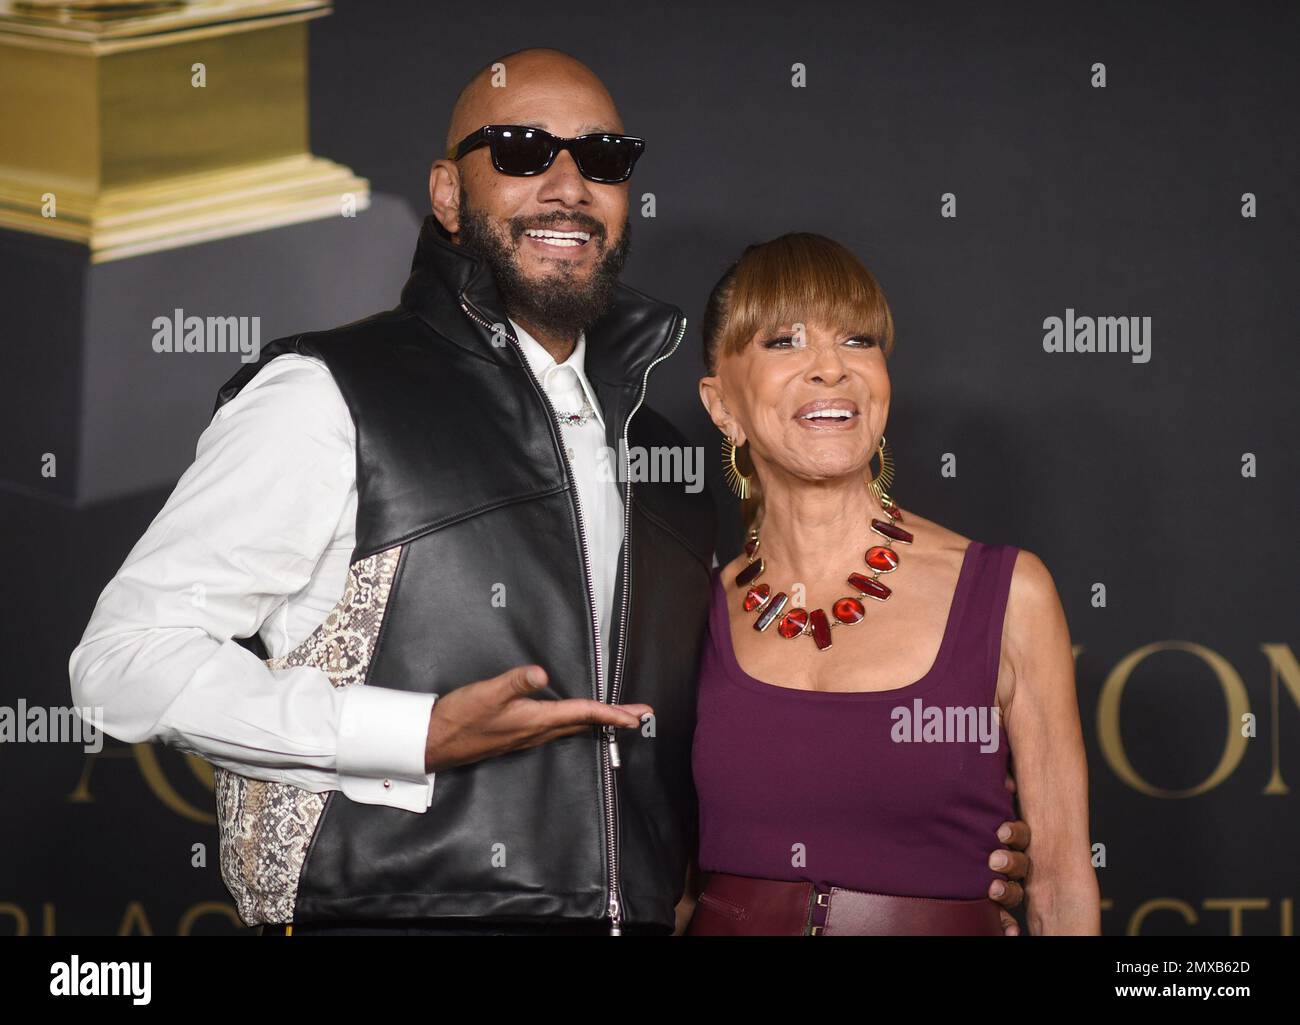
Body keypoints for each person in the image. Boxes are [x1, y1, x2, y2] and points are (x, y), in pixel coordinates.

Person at [69, 49, 1031, 936]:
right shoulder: (332, 395)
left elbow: (726, 754)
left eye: (602, 158)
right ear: (449, 193)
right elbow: (121, 660)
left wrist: (921, 859)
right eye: (523, 150)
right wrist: (412, 732)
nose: (568, 183)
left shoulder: (665, 463)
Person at [686, 233, 1100, 935]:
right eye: (784, 341)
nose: (830, 369)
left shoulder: (1007, 593)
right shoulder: (688, 607)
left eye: (857, 339)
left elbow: (1060, 884)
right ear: (721, 404)